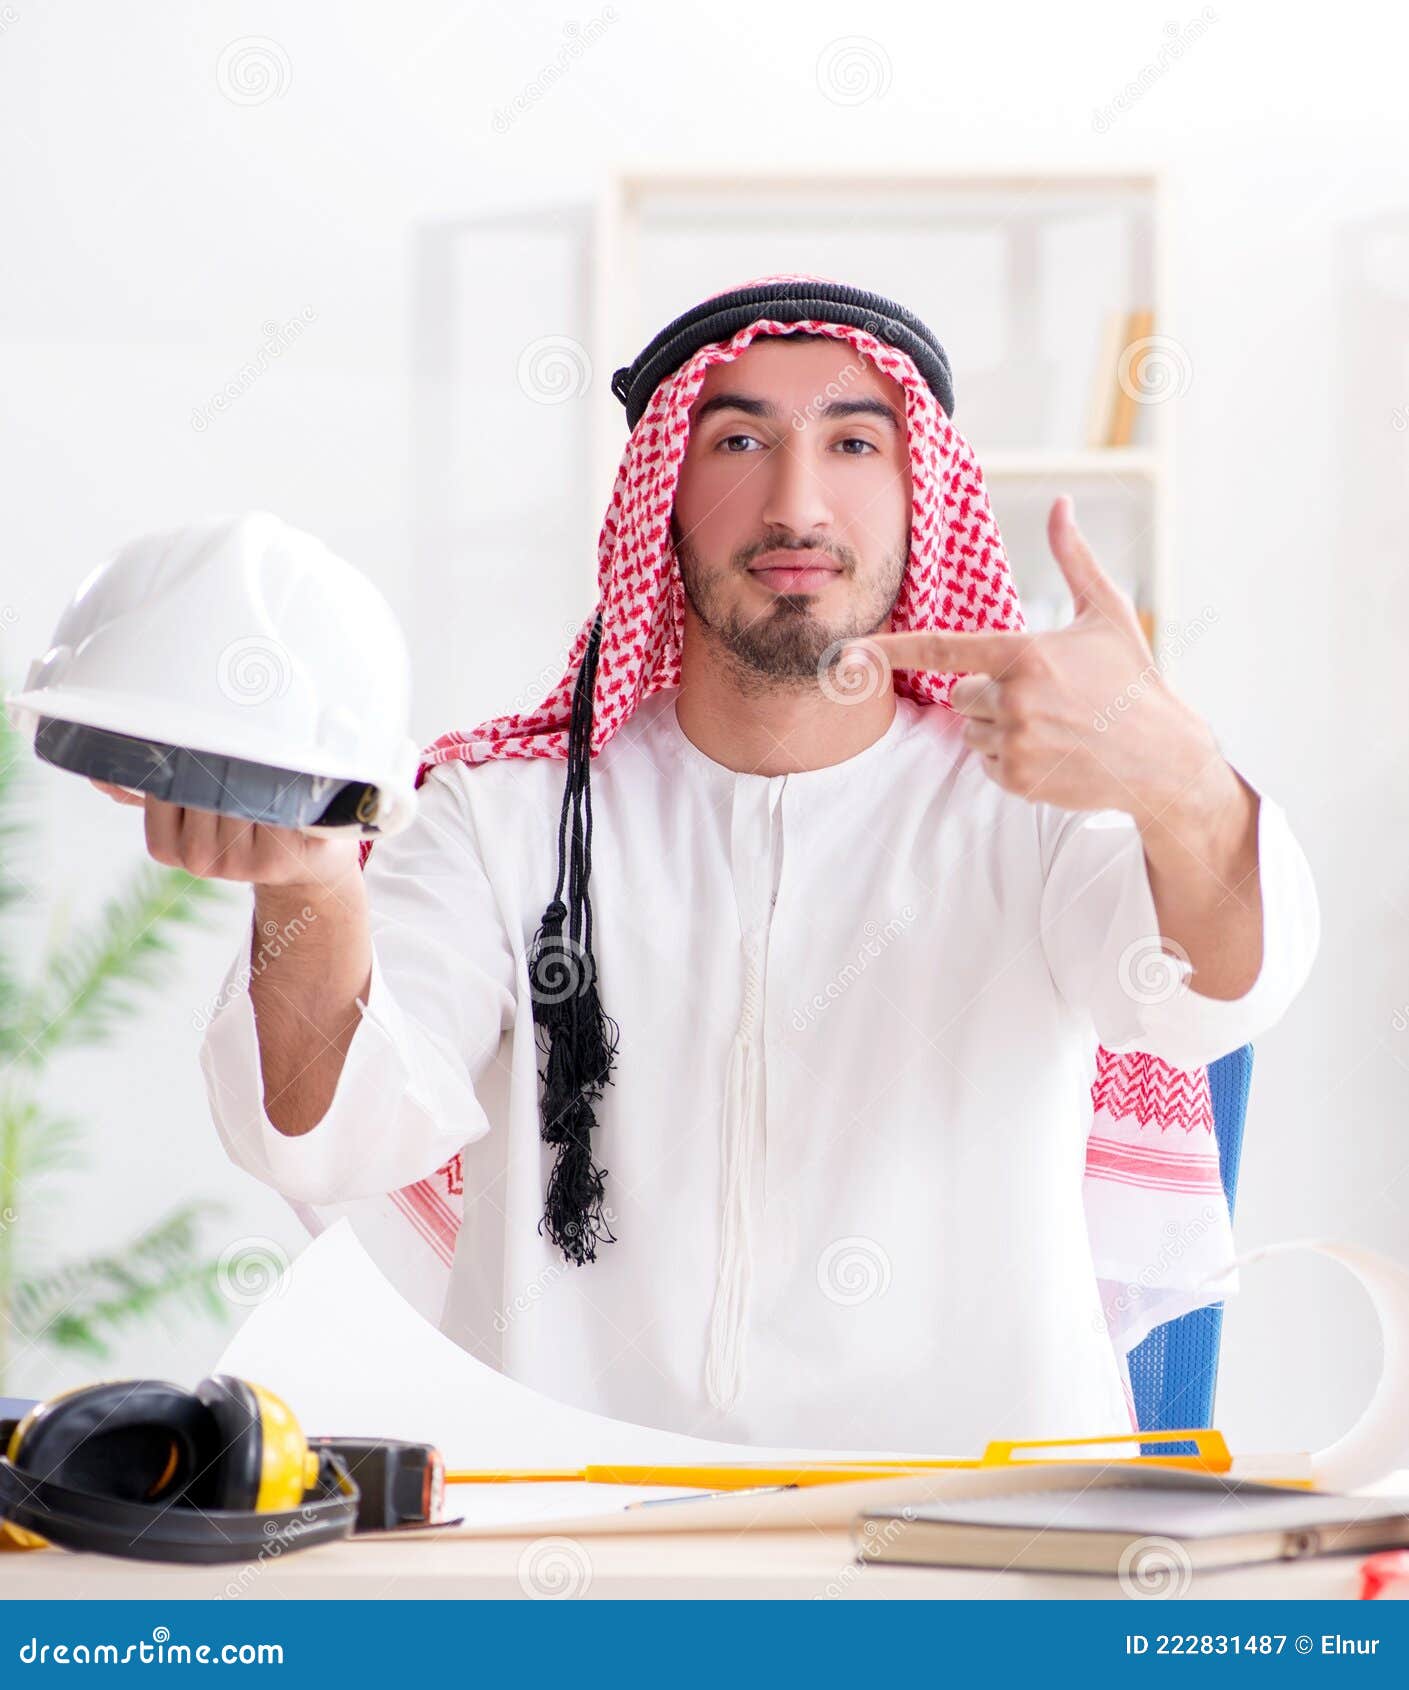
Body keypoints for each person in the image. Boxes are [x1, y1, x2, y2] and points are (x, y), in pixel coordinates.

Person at [104, 277, 1320, 1455]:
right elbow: (329, 1135)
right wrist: (306, 888)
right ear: (663, 496)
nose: (797, 503)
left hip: (977, 1541)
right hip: (567, 1541)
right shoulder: (500, 813)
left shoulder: (1038, 800)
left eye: (854, 445)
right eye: (738, 442)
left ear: (921, 498)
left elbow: (1212, 994)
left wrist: (1171, 773)